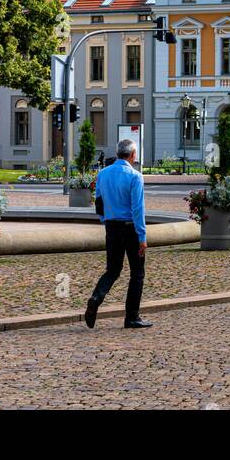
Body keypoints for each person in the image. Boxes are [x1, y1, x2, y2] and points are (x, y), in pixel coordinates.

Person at [84, 138, 152, 330]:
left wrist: (106, 221)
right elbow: (138, 209)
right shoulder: (135, 176)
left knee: (113, 270)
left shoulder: (103, 174)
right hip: (130, 228)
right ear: (132, 155)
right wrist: (142, 237)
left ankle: (96, 297)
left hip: (112, 227)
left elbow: (99, 202)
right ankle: (132, 316)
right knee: (137, 273)